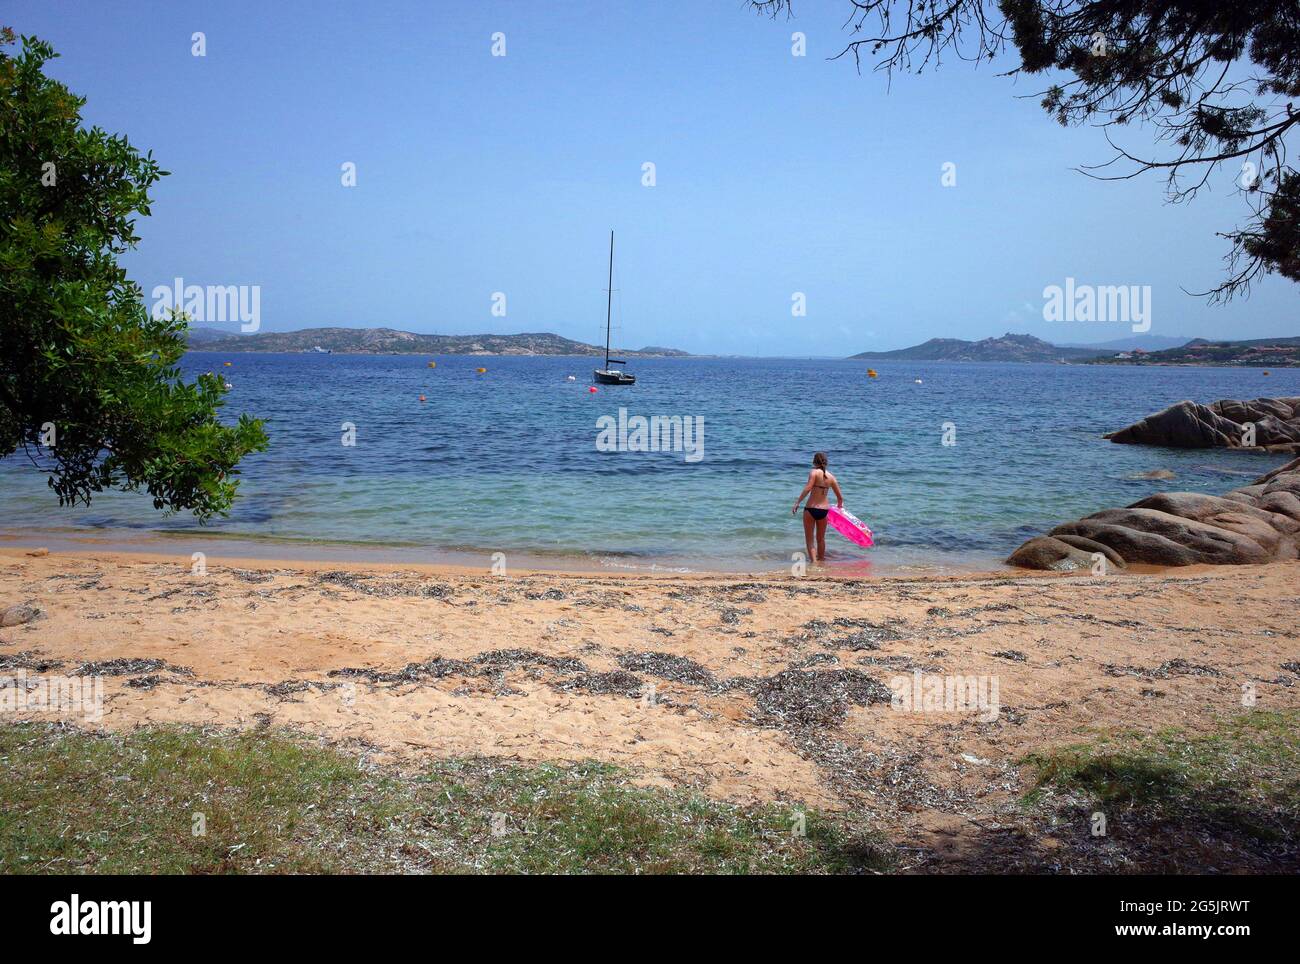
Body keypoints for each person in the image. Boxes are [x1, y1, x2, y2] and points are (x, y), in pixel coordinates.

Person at [791, 452, 842, 563]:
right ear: (826, 462)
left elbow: (808, 488)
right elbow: (840, 498)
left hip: (810, 509)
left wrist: (797, 502)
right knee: (821, 539)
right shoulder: (831, 477)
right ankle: (822, 561)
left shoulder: (813, 472)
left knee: (810, 540)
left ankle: (814, 563)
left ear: (814, 461)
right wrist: (839, 509)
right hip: (824, 511)